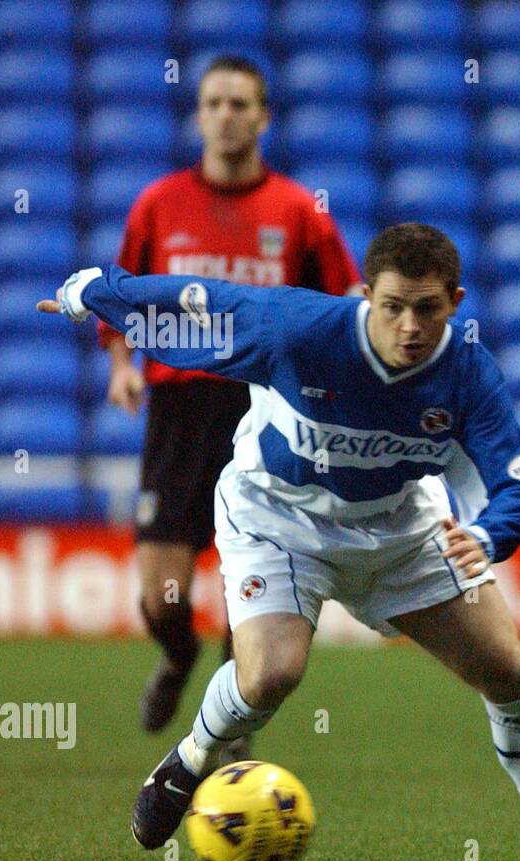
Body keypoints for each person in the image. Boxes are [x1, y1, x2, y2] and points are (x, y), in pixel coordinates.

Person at [42, 223, 520, 861]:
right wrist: (95, 291)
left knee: (512, 676)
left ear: (456, 303)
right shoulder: (297, 330)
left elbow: (516, 484)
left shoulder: (468, 375)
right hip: (278, 518)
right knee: (270, 676)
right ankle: (191, 760)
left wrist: (489, 535)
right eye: (393, 306)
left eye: (428, 309)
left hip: (401, 531)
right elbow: (194, 303)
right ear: (364, 294)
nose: (410, 326)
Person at [99, 56, 361, 753]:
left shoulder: (300, 212)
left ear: (263, 115)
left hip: (263, 412)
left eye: (241, 103)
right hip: (179, 413)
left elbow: (345, 303)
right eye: (214, 102)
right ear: (200, 113)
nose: (226, 114)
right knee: (161, 597)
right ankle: (179, 656)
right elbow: (126, 298)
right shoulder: (159, 204)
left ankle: (231, 717)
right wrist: (122, 365)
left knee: (253, 580)